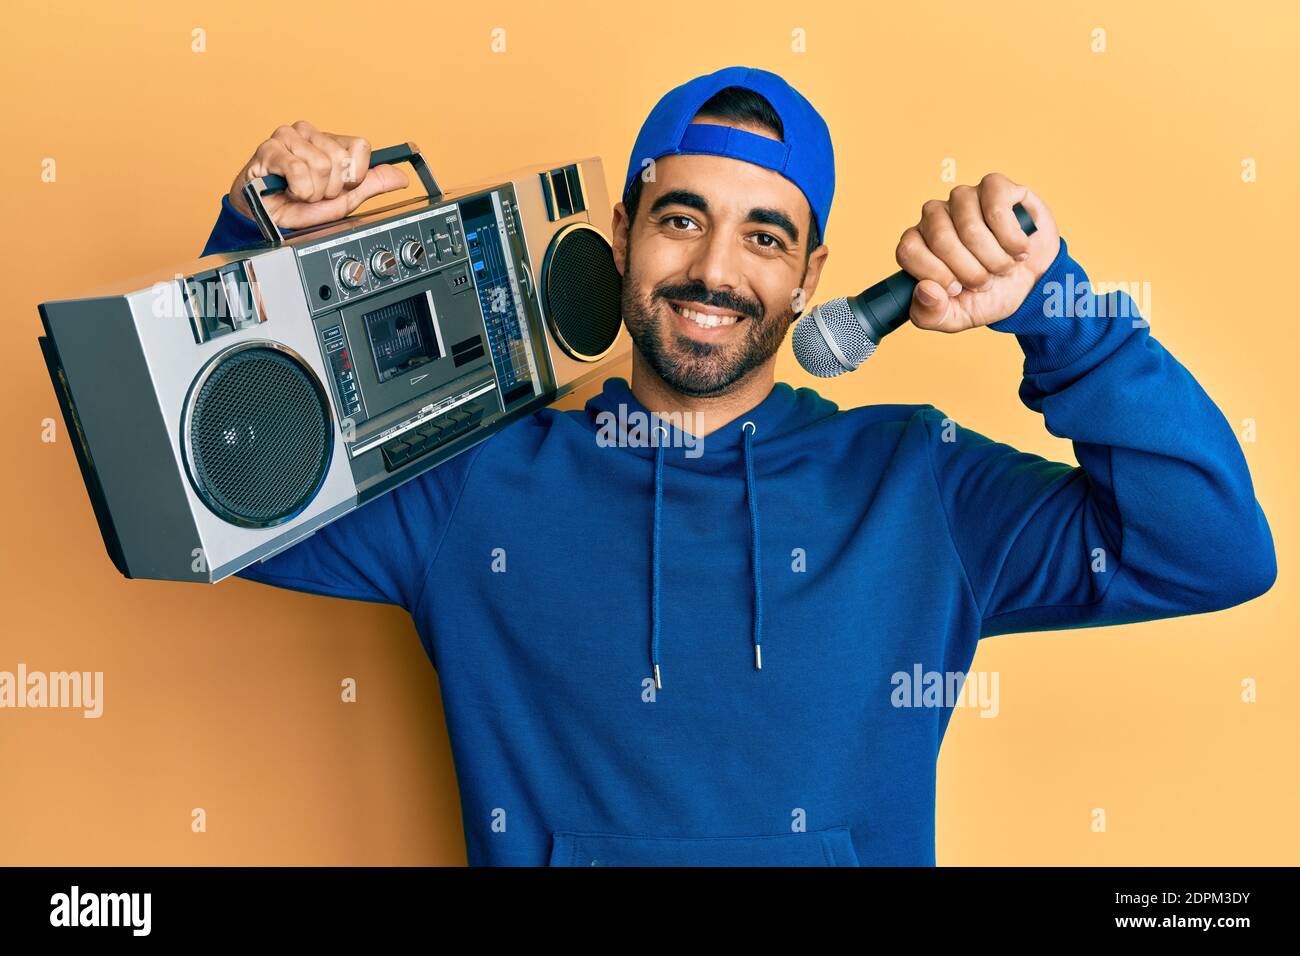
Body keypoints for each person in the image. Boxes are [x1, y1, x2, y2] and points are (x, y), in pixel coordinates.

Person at [200, 65, 1276, 867]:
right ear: (621, 236)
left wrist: (1054, 310)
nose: (714, 271)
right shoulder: (474, 485)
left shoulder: (918, 484)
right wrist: (248, 238)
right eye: (681, 220)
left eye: (765, 238)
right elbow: (216, 501)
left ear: (810, 277)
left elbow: (1212, 547)